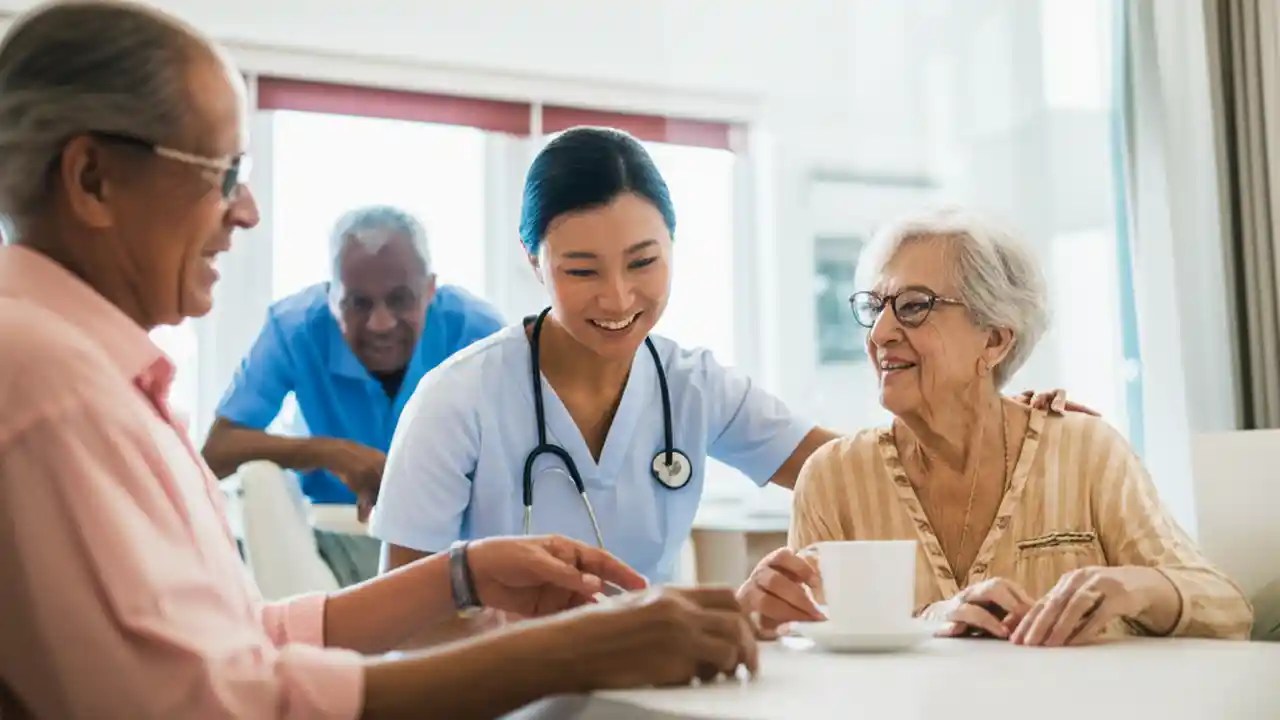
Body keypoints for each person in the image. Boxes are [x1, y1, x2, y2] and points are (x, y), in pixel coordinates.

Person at [0, 3, 756, 718]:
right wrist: (571, 651)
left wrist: (462, 574)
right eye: (222, 173)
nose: (248, 211)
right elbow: (218, 704)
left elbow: (243, 640)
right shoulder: (49, 391)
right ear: (92, 180)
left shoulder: (89, 377)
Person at [737, 207, 1255, 645]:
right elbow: (816, 649)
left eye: (914, 307)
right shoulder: (832, 477)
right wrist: (773, 620)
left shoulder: (1085, 451)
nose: (880, 333)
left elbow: (1229, 609)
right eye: (875, 308)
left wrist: (1137, 586)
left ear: (995, 340)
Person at [371, 127, 841, 586]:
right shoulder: (456, 401)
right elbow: (397, 610)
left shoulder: (694, 385)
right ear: (534, 262)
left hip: (655, 643)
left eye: (643, 262)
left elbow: (850, 472)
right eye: (582, 271)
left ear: (672, 245)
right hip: (506, 645)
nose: (617, 299)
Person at [202, 204, 503, 584]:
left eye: (400, 299)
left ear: (429, 290)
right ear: (331, 297)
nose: (381, 324)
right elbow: (216, 453)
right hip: (328, 539)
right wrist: (331, 453)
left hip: (451, 542)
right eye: (358, 303)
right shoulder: (293, 327)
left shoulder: (479, 332)